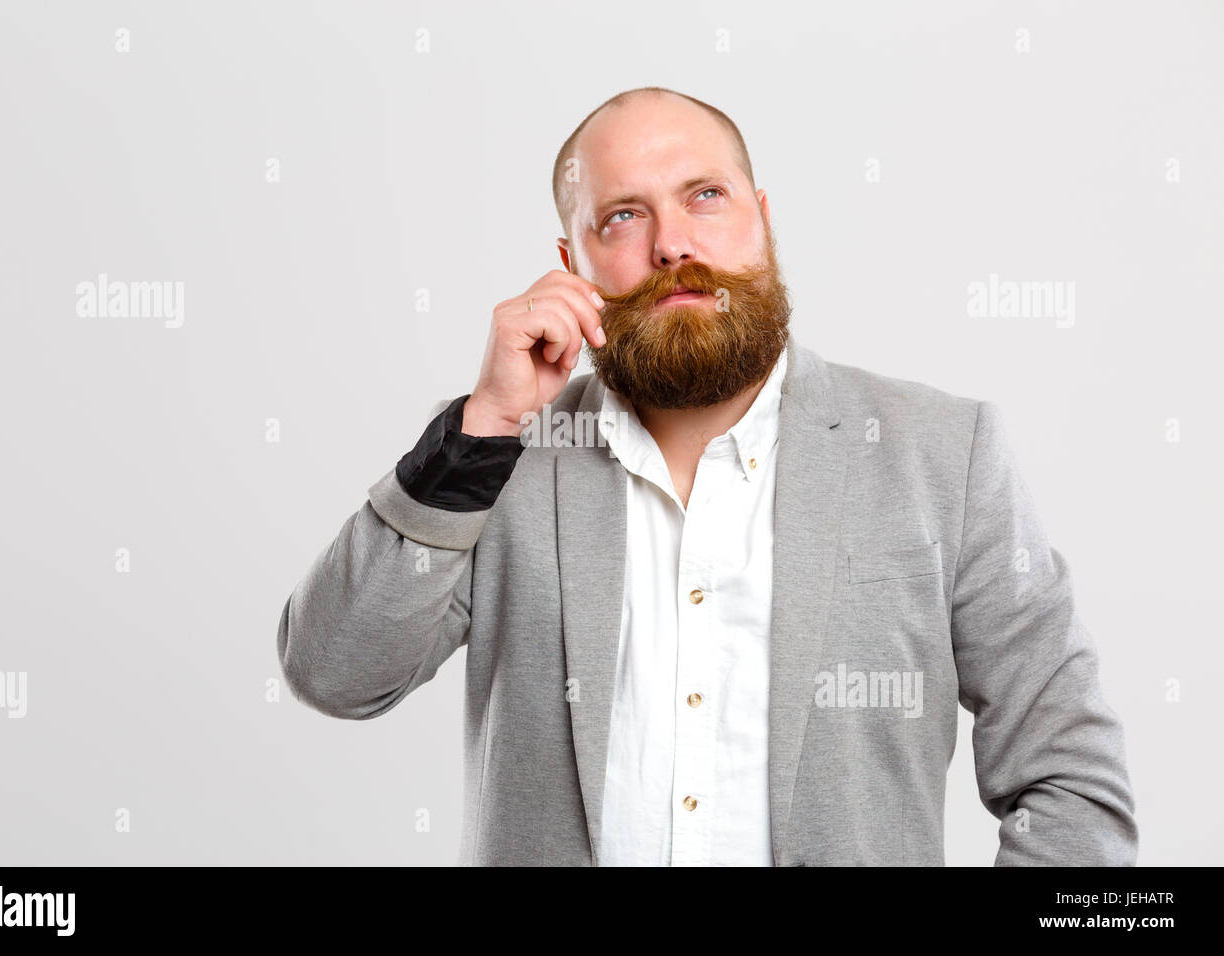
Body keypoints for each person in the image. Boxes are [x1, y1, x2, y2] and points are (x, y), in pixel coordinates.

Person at [275, 86, 1138, 866]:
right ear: (572, 268)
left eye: (705, 197)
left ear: (761, 218)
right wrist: (484, 430)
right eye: (621, 217)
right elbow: (335, 674)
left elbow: (1070, 785)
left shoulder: (943, 454)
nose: (672, 245)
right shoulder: (498, 458)